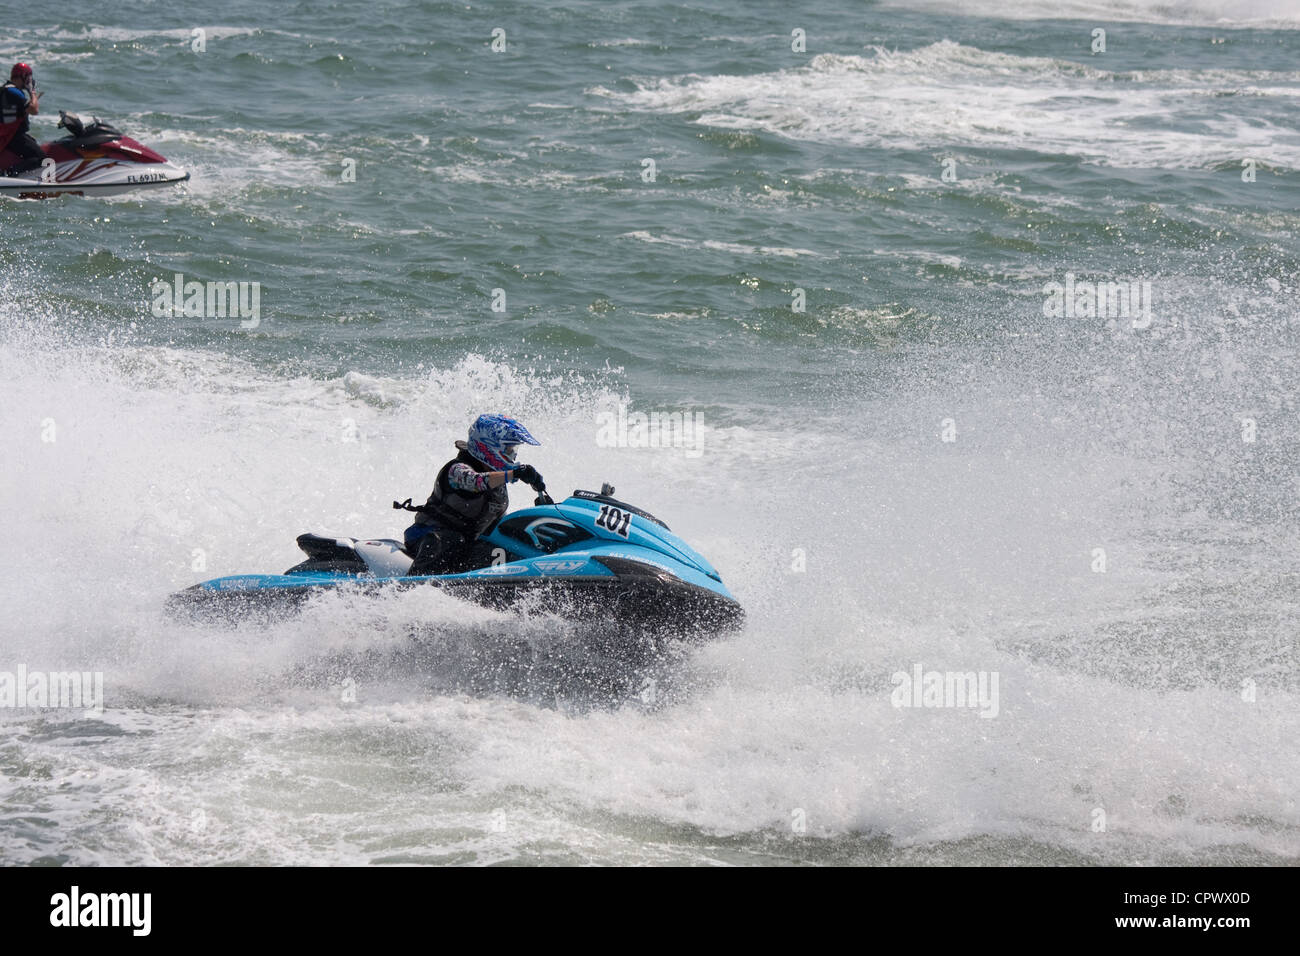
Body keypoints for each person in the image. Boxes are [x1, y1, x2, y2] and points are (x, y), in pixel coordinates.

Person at [403, 414, 545, 575]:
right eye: (509, 449)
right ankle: (413, 586)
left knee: (502, 544)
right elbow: (476, 481)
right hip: (429, 537)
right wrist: (514, 474)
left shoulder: (497, 481)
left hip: (465, 546)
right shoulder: (457, 470)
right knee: (450, 539)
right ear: (488, 446)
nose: (513, 455)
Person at [0, 63, 44, 178]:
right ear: (23, 76)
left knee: (33, 144)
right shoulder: (14, 92)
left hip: (8, 136)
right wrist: (32, 92)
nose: (30, 80)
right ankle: (9, 174)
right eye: (29, 77)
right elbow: (34, 110)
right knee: (42, 158)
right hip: (13, 137)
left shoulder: (7, 90)